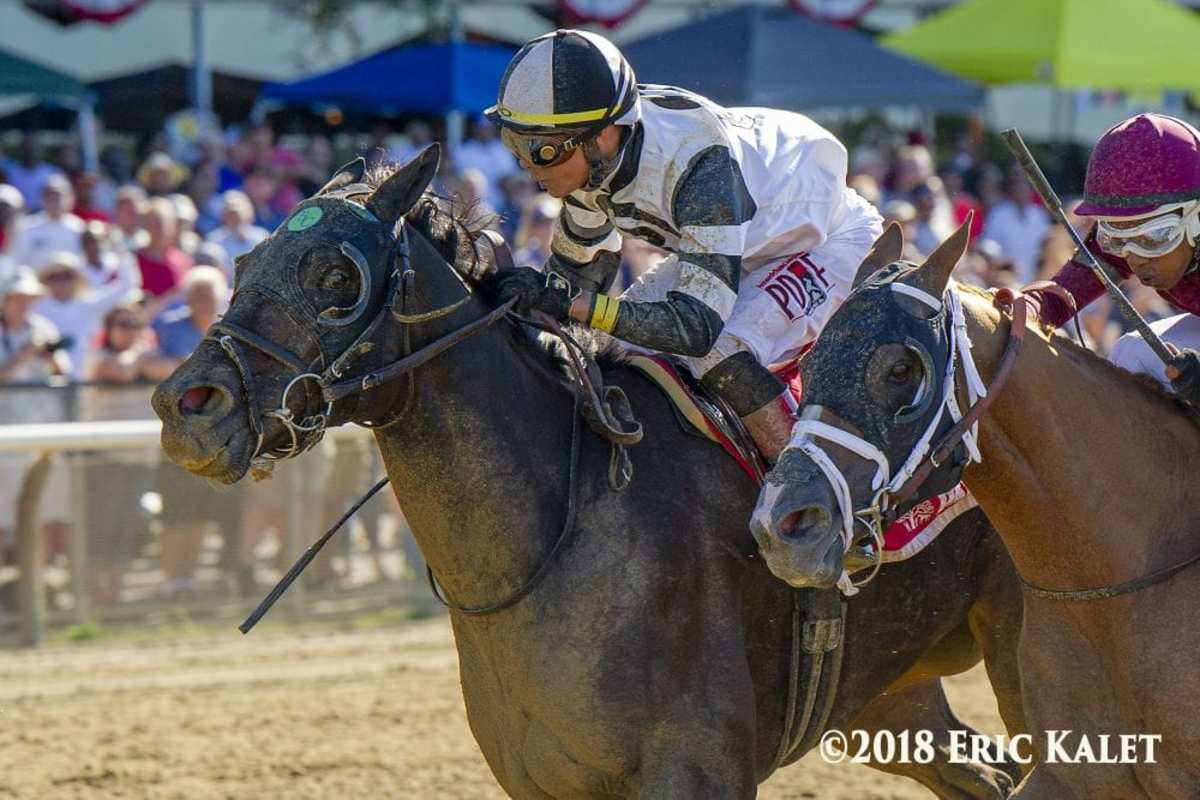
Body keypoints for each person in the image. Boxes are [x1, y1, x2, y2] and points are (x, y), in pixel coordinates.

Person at [486, 30, 883, 461]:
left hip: (829, 239)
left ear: (601, 137)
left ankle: (813, 492)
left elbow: (695, 330)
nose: (526, 166)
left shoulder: (698, 166)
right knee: (623, 348)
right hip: (746, 242)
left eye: (539, 150)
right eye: (515, 143)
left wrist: (576, 305)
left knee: (719, 350)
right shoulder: (590, 159)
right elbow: (572, 286)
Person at [1033, 113, 1200, 409]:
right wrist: (1028, 307)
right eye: (1116, 238)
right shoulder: (1135, 227)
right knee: (1130, 354)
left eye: (1154, 237)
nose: (1133, 259)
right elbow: (1063, 294)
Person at [34, 249, 140, 381]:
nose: (61, 281)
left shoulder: (88, 305)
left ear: (75, 280)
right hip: (42, 385)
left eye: (67, 276)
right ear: (46, 281)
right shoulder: (34, 308)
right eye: (54, 277)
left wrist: (122, 251)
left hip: (81, 384)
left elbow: (127, 286)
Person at [8, 175, 85, 271]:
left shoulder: (80, 228)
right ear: (42, 199)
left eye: (58, 196)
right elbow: (16, 262)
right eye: (50, 196)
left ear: (70, 198)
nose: (55, 201)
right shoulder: (27, 227)